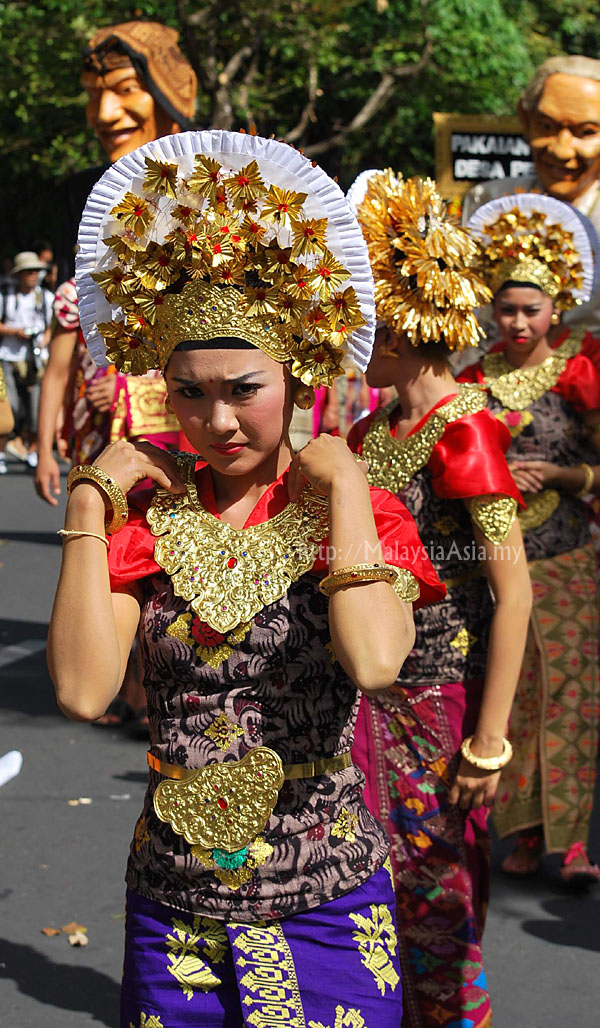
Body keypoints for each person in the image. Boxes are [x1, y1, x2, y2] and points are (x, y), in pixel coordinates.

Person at [47, 129, 446, 1027]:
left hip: (325, 897)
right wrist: (87, 506)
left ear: (298, 373)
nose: (216, 419)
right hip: (172, 902)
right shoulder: (145, 518)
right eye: (189, 391)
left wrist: (343, 483)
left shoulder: (363, 511)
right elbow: (81, 689)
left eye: (242, 388)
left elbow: (377, 662)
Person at [347, 171, 532, 1028]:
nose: (352, 340)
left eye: (366, 320)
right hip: (359, 699)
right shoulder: (364, 435)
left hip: (441, 704)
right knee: (362, 896)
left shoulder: (465, 425)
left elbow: (512, 590)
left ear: (411, 319)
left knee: (435, 898)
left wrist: (488, 741)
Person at [460, 191, 600, 884]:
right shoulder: (473, 381)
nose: (517, 322)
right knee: (509, 696)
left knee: (572, 694)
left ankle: (571, 846)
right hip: (494, 564)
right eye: (506, 309)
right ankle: (519, 835)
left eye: (531, 310)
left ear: (558, 309)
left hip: (570, 559)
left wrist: (565, 475)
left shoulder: (584, 365)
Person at [462, 55, 600, 339]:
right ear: (525, 120)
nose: (561, 150)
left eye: (585, 132)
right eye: (546, 127)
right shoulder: (489, 200)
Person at [0, 251, 53, 471]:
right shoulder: (5, 297)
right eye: (30, 272)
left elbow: (53, 327)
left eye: (37, 272)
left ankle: (30, 449)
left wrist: (41, 343)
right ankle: (2, 450)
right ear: (20, 274)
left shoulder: (46, 298)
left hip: (34, 361)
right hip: (7, 357)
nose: (34, 276)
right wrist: (16, 332)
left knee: (34, 409)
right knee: (8, 406)